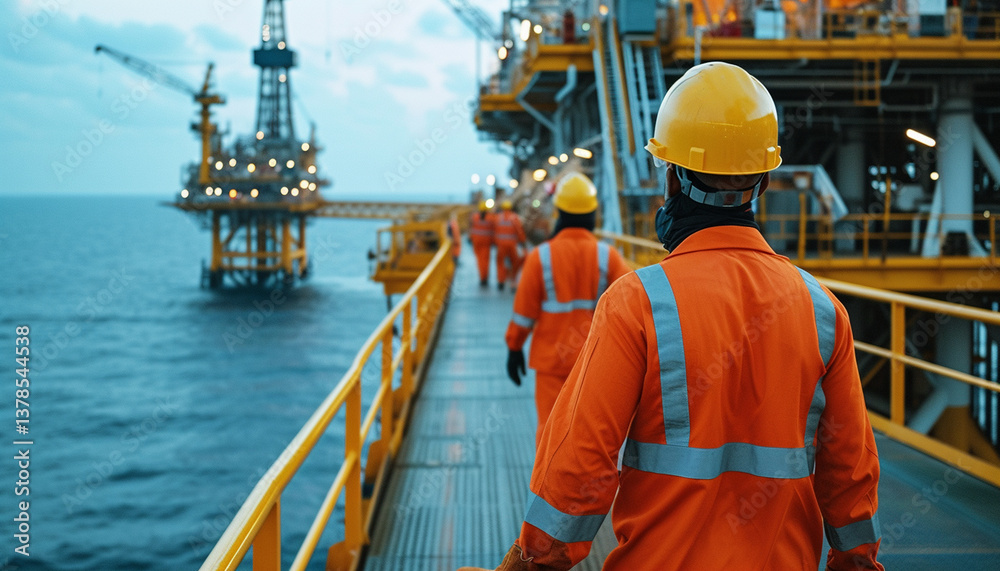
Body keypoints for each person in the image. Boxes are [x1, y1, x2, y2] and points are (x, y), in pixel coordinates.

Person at [460, 62, 883, 570]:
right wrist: (856, 561)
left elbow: (580, 461)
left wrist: (535, 561)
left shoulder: (638, 302)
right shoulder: (823, 312)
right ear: (763, 182)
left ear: (673, 178)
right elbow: (849, 469)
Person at [505, 172, 630, 447]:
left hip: (551, 363)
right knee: (591, 435)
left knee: (550, 432)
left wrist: (514, 348)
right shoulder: (607, 256)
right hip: (594, 361)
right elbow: (630, 305)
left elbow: (523, 312)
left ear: (559, 212)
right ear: (593, 214)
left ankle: (547, 488)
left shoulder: (540, 257)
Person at [494, 199, 527, 291]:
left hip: (500, 245)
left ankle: (501, 281)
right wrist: (523, 242)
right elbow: (519, 232)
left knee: (500, 263)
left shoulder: (497, 217)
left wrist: (495, 242)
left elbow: (494, 230)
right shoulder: (514, 218)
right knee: (515, 263)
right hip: (512, 245)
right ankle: (513, 282)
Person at [469, 201, 496, 287]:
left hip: (476, 242)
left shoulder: (474, 217)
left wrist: (470, 238)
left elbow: (471, 228)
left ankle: (482, 277)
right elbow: (494, 230)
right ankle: (484, 278)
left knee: (479, 260)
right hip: (486, 242)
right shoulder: (491, 218)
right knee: (485, 261)